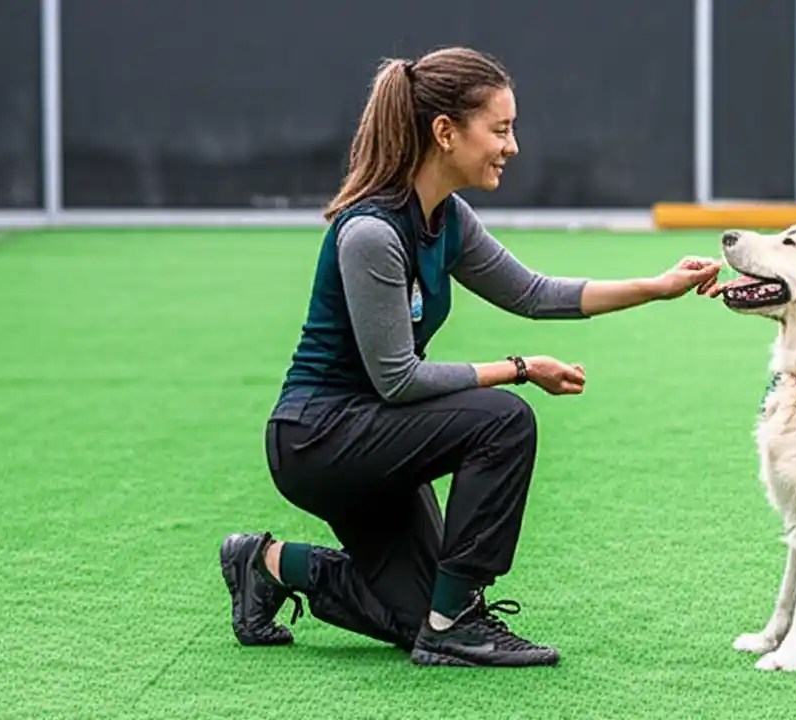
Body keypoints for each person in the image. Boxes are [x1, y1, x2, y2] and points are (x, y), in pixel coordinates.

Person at [218, 46, 723, 668]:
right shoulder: (372, 233)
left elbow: (534, 293)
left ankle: (266, 562)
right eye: (501, 129)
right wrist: (519, 368)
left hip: (377, 437)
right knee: (503, 418)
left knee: (413, 616)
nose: (512, 146)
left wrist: (656, 286)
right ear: (445, 133)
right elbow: (398, 380)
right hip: (318, 441)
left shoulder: (447, 218)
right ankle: (456, 622)